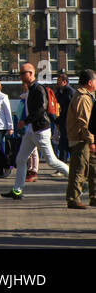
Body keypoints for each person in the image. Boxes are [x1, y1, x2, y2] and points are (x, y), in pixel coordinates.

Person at [2, 62, 69, 201]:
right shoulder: (31, 89)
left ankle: (79, 181)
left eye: (23, 73)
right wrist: (27, 123)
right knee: (21, 159)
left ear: (31, 73)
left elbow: (41, 109)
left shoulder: (38, 88)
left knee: (51, 161)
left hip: (40, 130)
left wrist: (25, 121)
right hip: (32, 130)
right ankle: (17, 190)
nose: (20, 76)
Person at [64, 69, 96, 208]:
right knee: (79, 169)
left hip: (85, 138)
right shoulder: (83, 98)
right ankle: (73, 198)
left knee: (93, 169)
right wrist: (91, 141)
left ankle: (94, 196)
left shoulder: (85, 96)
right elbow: (85, 122)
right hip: (81, 139)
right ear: (90, 82)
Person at [55, 72, 75, 162]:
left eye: (59, 81)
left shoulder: (70, 92)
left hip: (69, 122)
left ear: (65, 82)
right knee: (63, 143)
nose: (57, 83)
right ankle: (63, 164)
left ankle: (63, 164)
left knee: (65, 143)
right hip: (62, 121)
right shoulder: (59, 92)